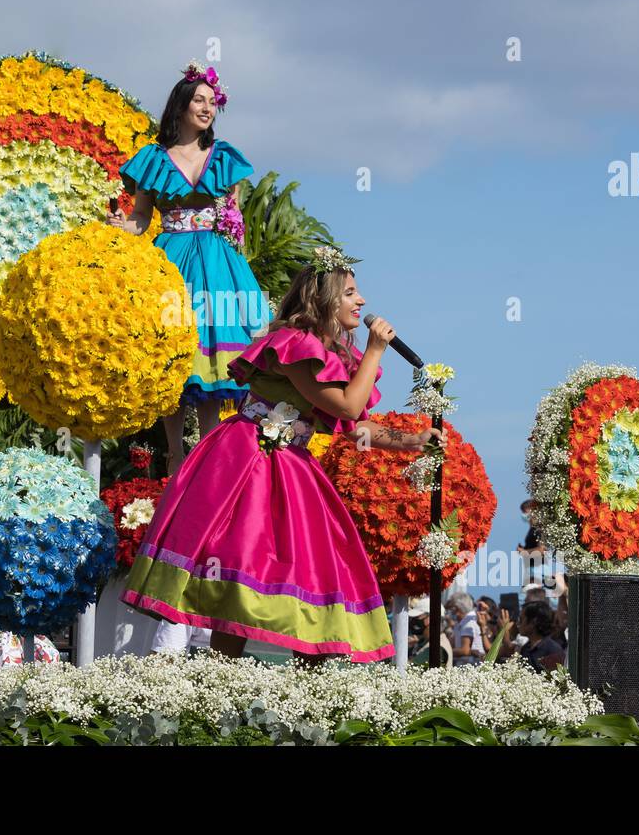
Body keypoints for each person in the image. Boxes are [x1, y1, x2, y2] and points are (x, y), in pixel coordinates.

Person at [118, 251, 448, 663]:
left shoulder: (331, 357)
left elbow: (352, 425)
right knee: (238, 562)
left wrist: (413, 440)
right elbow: (347, 405)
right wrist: (376, 350)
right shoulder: (295, 345)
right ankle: (223, 679)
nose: (361, 301)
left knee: (310, 567)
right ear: (324, 300)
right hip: (248, 461)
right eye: (350, 293)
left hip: (290, 463)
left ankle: (306, 691)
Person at [107, 60, 267, 475]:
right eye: (199, 100)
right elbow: (142, 217)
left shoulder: (225, 157)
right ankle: (175, 453)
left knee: (214, 353)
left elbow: (234, 217)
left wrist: (235, 240)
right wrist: (122, 227)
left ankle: (212, 455)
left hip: (217, 263)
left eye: (213, 102)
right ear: (179, 106)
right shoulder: (153, 158)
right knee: (173, 353)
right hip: (170, 259)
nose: (207, 108)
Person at [448, 592, 484, 666]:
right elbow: (451, 642)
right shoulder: (461, 622)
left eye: (451, 607)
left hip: (471, 666)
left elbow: (465, 650)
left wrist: (445, 652)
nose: (450, 610)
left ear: (457, 608)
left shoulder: (469, 623)